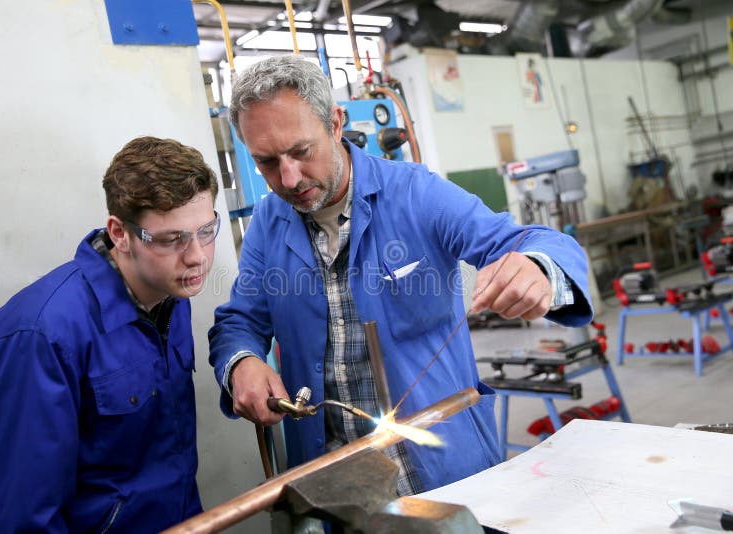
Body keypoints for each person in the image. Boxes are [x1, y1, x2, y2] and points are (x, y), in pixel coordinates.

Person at [209, 55, 592, 494]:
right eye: (267, 162)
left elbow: (531, 241)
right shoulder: (268, 223)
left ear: (334, 124)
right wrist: (241, 362)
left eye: (300, 151)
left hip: (442, 471)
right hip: (334, 484)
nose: (290, 177)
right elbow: (239, 320)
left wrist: (539, 269)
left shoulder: (417, 194)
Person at [0, 136, 220, 532]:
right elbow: (25, 519)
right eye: (172, 238)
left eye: (206, 231)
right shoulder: (40, 338)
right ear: (119, 233)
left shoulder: (170, 291)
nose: (196, 255)